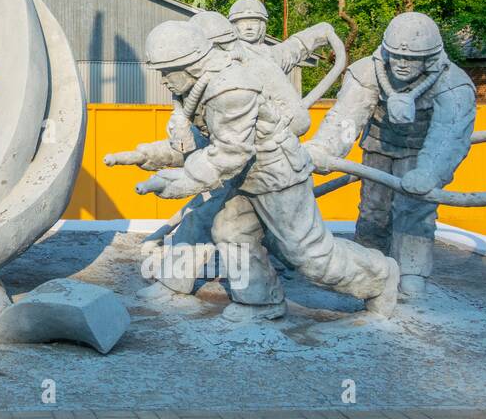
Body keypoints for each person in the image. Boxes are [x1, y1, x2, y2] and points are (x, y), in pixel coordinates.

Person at [106, 20, 399, 321]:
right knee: (230, 231)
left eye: (167, 72)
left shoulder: (230, 89)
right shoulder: (199, 88)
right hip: (248, 177)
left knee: (310, 255)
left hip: (277, 176)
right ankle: (260, 302)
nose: (164, 80)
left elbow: (230, 153)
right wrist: (146, 155)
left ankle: (382, 276)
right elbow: (201, 143)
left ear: (189, 65)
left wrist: (179, 183)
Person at [305, 12, 475, 298]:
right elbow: (347, 117)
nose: (402, 63)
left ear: (430, 57)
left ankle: (411, 272)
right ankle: (368, 267)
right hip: (377, 147)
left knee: (415, 210)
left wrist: (429, 172)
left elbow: (449, 136)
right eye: (396, 56)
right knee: (374, 209)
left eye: (411, 58)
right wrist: (326, 148)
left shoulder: (454, 85)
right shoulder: (367, 72)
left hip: (420, 153)